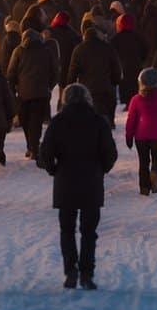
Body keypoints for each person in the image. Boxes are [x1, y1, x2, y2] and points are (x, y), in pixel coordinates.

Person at [39, 83, 118, 291]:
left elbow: (45, 152)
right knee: (89, 231)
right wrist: (102, 169)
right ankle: (86, 272)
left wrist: (53, 169)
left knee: (67, 229)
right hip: (91, 182)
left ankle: (70, 270)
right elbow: (110, 153)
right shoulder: (98, 121)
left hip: (65, 181)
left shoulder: (58, 122)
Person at [7, 29, 59, 159]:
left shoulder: (18, 51)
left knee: (25, 120)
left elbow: (11, 72)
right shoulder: (46, 51)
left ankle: (31, 146)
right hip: (42, 93)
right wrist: (49, 86)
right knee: (36, 121)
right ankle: (34, 147)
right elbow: (55, 71)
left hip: (24, 93)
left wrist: (13, 88)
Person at [126, 68, 157, 196]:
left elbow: (131, 120)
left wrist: (129, 136)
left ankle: (144, 188)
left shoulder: (136, 100)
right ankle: (155, 172)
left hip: (141, 135)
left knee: (143, 161)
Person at [68, 20, 121, 125]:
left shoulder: (78, 50)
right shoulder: (107, 48)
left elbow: (72, 72)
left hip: (86, 91)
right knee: (105, 120)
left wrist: (71, 86)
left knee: (87, 121)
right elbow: (116, 68)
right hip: (105, 89)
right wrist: (115, 81)